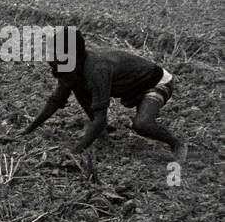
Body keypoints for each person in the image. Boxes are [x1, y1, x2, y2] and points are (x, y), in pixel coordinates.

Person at [23, 28, 186, 161]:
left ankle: (176, 144)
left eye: (57, 55)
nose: (51, 59)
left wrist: (75, 151)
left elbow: (101, 118)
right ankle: (102, 135)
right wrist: (28, 130)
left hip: (155, 83)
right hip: (130, 88)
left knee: (142, 124)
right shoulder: (72, 69)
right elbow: (56, 100)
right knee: (75, 85)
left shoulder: (96, 70)